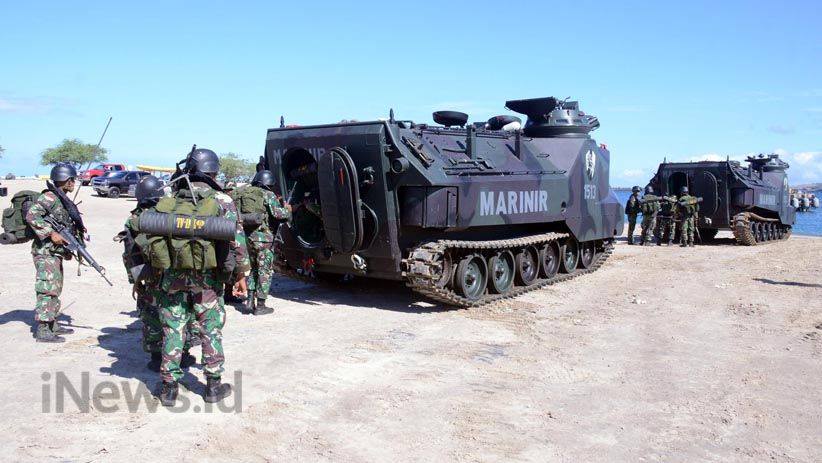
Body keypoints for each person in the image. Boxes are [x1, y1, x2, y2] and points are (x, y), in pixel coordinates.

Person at [156, 148, 250, 406]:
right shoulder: (223, 201)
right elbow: (237, 242)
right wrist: (242, 275)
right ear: (214, 171)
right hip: (208, 280)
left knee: (173, 328)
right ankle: (212, 386)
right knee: (210, 329)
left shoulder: (172, 196)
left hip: (173, 276)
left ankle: (168, 388)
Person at [119, 175, 199, 371]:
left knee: (151, 313)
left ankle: (156, 357)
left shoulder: (133, 219)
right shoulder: (167, 213)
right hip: (171, 273)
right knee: (178, 312)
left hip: (147, 274)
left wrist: (135, 279)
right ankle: (181, 354)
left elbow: (130, 252)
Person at [25, 163, 82, 343]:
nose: (74, 183)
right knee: (47, 288)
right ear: (65, 180)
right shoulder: (49, 197)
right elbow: (32, 216)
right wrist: (51, 233)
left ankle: (52, 323)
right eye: (72, 179)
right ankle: (43, 329)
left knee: (55, 287)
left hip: (54, 252)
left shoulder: (61, 198)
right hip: (45, 252)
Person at [233, 170, 291, 315]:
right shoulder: (268, 194)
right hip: (263, 239)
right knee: (264, 271)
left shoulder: (243, 193)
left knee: (252, 269)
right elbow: (279, 215)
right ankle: (260, 305)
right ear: (269, 183)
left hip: (246, 238)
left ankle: (249, 302)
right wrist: (288, 210)